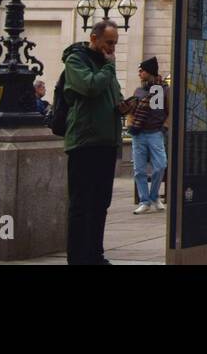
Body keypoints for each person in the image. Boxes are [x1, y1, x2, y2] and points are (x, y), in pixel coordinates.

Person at [62, 18, 134, 265]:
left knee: (101, 203)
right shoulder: (76, 60)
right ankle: (78, 258)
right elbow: (90, 87)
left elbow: (112, 95)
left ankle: (95, 254)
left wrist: (123, 106)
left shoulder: (106, 65)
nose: (112, 48)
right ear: (94, 38)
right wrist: (109, 69)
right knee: (81, 204)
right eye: (108, 42)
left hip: (106, 141)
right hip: (84, 141)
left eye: (115, 43)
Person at [128, 57, 169, 214]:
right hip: (138, 133)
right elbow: (131, 111)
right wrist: (130, 123)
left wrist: (163, 128)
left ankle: (153, 197)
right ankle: (145, 200)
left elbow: (169, 110)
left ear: (150, 72)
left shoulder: (164, 90)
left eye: (142, 70)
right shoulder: (138, 91)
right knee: (139, 169)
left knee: (161, 165)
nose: (139, 73)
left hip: (155, 133)